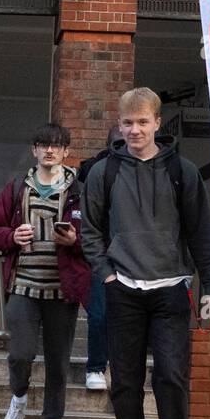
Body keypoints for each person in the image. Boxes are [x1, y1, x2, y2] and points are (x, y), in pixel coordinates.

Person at [80, 88, 210, 419]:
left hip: (170, 289)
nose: (135, 130)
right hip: (123, 287)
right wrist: (106, 272)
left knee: (171, 377)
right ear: (119, 124)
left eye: (143, 122)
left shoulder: (182, 171)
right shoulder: (103, 172)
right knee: (124, 380)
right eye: (128, 123)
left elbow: (202, 234)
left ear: (158, 123)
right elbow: (89, 230)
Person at [0, 122, 90, 419]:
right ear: (34, 150)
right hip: (23, 286)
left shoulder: (81, 192)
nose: (49, 150)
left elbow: (99, 238)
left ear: (66, 152)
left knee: (58, 362)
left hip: (62, 291)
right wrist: (11, 237)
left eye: (56, 145)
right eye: (43, 144)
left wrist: (75, 240)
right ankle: (18, 397)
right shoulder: (17, 188)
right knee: (19, 354)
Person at [77, 128, 118, 392]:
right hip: (103, 253)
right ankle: (95, 367)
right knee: (100, 315)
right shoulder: (96, 171)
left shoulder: (149, 169)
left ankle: (120, 372)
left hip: (137, 254)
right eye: (119, 142)